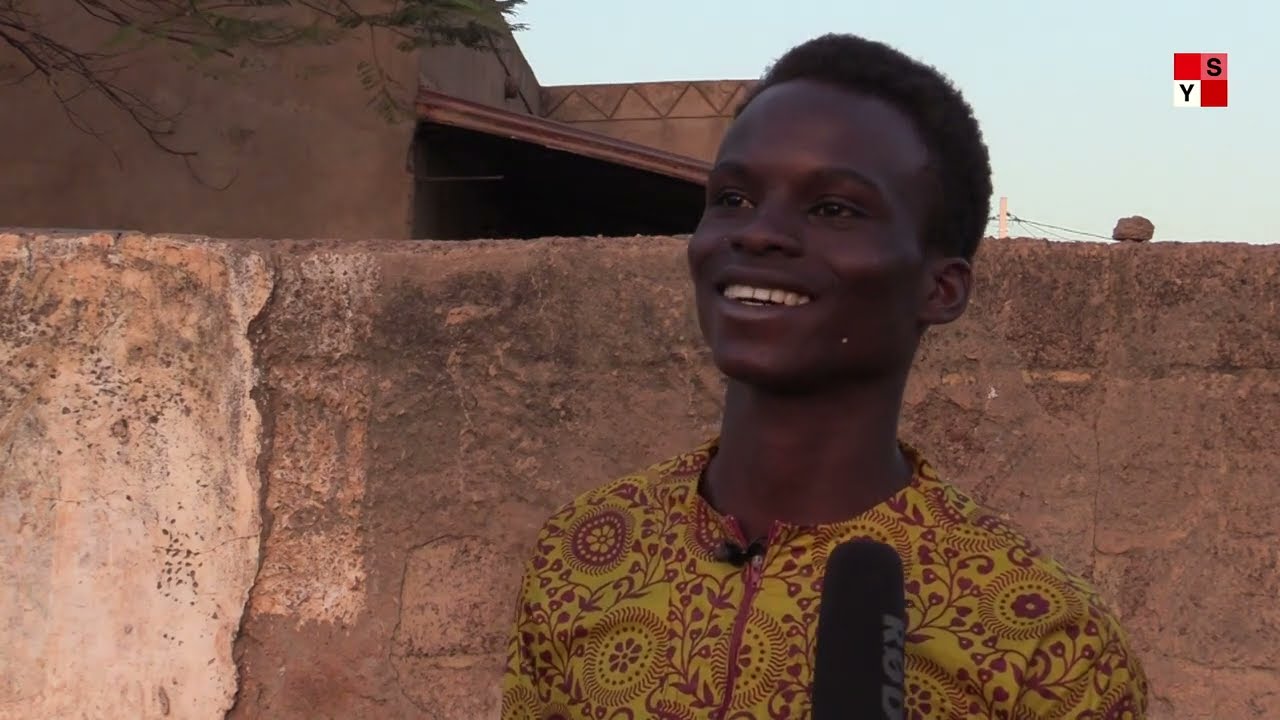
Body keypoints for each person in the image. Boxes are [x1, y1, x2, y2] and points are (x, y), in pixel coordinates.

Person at [501, 33, 1149, 719]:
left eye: (833, 209)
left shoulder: (1054, 648)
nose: (757, 234)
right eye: (731, 199)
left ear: (941, 288)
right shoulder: (583, 553)